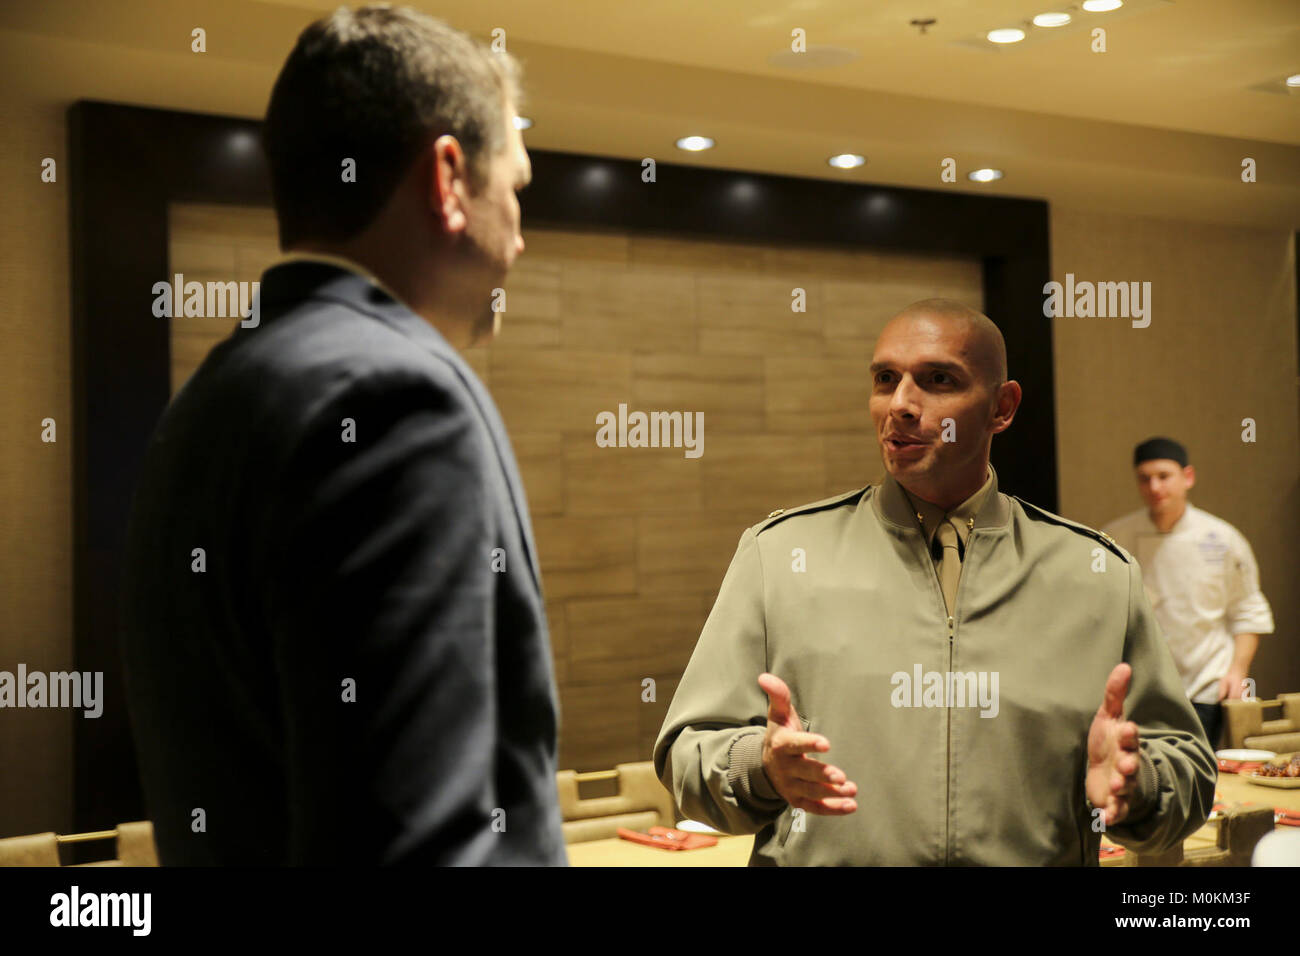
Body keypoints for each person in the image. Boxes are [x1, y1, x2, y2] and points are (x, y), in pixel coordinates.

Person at [120, 6, 567, 865]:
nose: (520, 237)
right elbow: (416, 843)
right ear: (447, 178)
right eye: (515, 186)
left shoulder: (205, 403)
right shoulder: (401, 401)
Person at [653, 298, 1215, 866]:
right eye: (884, 379)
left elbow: (1189, 767)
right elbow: (688, 753)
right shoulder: (779, 556)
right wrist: (762, 766)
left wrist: (1138, 783)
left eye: (937, 380)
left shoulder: (1096, 575)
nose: (899, 404)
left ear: (1002, 407)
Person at [1103, 438, 1274, 749]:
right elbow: (1103, 611)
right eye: (1145, 478)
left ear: (1188, 477)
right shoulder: (1116, 537)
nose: (1154, 487)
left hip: (1205, 682)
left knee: (1197, 778)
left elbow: (1248, 610)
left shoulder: (1222, 538)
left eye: (1164, 476)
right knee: (1143, 777)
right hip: (1142, 686)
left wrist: (1238, 671)